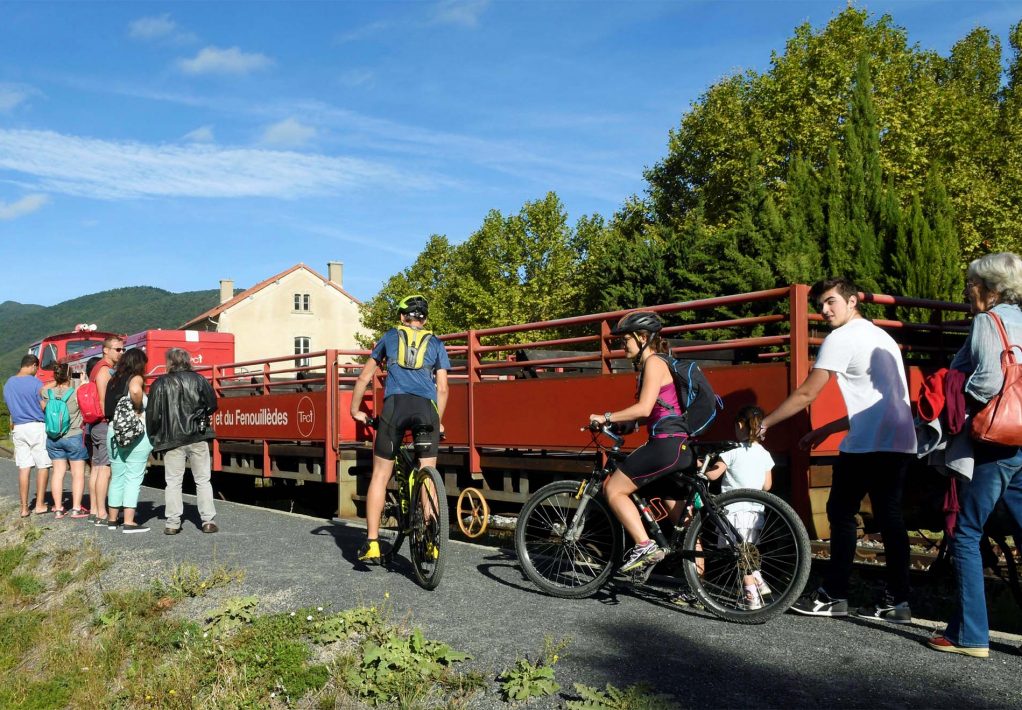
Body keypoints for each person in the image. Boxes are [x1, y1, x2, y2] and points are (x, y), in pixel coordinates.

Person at [760, 277, 916, 622]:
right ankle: (897, 602)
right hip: (900, 441)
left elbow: (807, 393)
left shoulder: (841, 338)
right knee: (891, 518)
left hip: (869, 443)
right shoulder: (880, 336)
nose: (825, 310)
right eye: (820, 306)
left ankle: (833, 595)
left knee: (841, 512)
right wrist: (828, 429)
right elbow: (878, 400)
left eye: (831, 302)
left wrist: (767, 422)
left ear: (852, 301)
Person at [928, 253, 1022, 658]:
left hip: (995, 441)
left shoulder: (989, 320)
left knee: (966, 532)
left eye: (971, 284)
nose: (968, 291)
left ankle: (971, 636)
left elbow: (987, 380)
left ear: (990, 288)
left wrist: (961, 412)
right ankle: (964, 627)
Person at [587, 311, 694, 573]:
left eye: (626, 340)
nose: (622, 344)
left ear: (643, 337)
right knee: (681, 516)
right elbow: (659, 412)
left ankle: (644, 545)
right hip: (679, 445)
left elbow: (644, 408)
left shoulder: (653, 363)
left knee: (613, 489)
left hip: (665, 444)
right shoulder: (663, 363)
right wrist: (625, 424)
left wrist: (606, 416)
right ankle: (698, 587)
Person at [350, 294, 450, 563]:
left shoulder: (389, 338)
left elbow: (364, 377)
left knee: (381, 475)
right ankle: (430, 542)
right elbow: (442, 388)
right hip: (426, 410)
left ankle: (372, 543)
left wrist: (355, 410)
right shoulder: (436, 344)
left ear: (401, 317)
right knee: (428, 474)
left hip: (395, 408)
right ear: (425, 320)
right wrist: (438, 419)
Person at [702, 405, 775, 609]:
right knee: (748, 549)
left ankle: (750, 597)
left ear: (740, 424)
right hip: (755, 512)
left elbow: (713, 475)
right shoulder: (764, 453)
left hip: (733, 511)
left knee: (739, 555)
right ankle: (759, 579)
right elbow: (767, 486)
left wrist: (701, 466)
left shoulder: (731, 451)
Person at [146, 348, 219, 534]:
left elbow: (153, 415)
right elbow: (212, 405)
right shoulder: (200, 379)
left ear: (169, 362)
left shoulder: (160, 383)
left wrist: (154, 438)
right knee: (203, 480)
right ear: (187, 360)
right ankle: (208, 521)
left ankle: (172, 522)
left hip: (172, 439)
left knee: (173, 481)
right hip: (197, 435)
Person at [104, 348, 153, 533]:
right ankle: (129, 522)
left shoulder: (114, 380)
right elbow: (134, 390)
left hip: (114, 431)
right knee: (133, 477)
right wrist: (139, 407)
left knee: (117, 476)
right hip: (135, 435)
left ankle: (112, 519)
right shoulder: (136, 378)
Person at [3, 355, 51, 516]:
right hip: (37, 426)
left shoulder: (8, 384)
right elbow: (43, 406)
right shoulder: (36, 383)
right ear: (33, 365)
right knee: (43, 465)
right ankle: (39, 504)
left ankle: (24, 508)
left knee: (24, 468)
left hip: (19, 428)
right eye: (37, 368)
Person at [40, 363, 90, 518]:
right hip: (74, 436)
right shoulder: (77, 391)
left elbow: (42, 389)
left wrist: (58, 380)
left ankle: (59, 508)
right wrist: (82, 382)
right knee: (78, 473)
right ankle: (76, 508)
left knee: (58, 473)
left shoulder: (47, 392)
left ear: (55, 376)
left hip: (54, 438)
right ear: (69, 375)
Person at [88, 336, 124, 526]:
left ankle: (95, 509)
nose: (121, 353)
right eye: (117, 349)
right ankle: (102, 512)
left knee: (96, 468)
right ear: (106, 350)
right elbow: (103, 400)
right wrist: (110, 420)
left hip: (95, 425)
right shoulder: (103, 370)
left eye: (122, 349)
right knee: (105, 469)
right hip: (103, 423)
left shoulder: (99, 368)